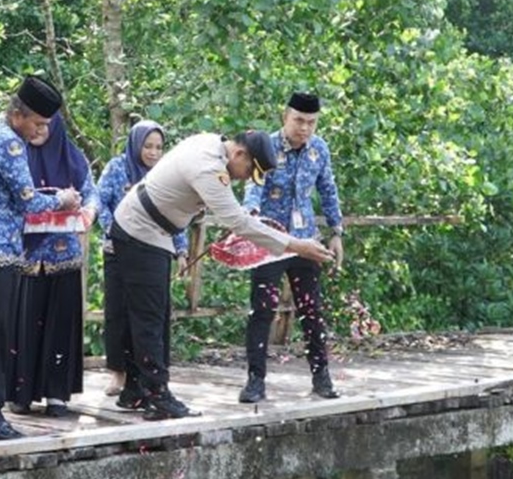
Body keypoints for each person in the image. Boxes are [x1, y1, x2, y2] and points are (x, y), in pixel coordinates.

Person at [111, 129, 334, 420]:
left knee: (151, 313)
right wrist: (297, 246)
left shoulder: (210, 142)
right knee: (149, 317)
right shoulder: (209, 167)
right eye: (248, 171)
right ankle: (158, 396)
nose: (244, 178)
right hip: (140, 231)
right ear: (239, 154)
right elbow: (238, 221)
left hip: (151, 230)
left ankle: (135, 390)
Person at [0, 75, 82, 441]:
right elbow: (29, 200)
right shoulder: (8, 142)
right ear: (18, 114)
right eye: (37, 123)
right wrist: (64, 200)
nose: (41, 131)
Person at [239, 92, 346, 403]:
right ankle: (255, 380)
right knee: (262, 310)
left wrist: (336, 231)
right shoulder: (267, 146)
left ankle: (321, 377)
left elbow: (328, 189)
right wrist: (249, 216)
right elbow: (253, 186)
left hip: (305, 241)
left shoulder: (319, 149)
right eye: (299, 120)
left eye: (311, 122)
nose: (304, 128)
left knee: (311, 309)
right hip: (270, 240)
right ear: (285, 116)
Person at [8, 114, 98, 418]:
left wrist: (88, 210)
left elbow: (91, 192)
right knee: (24, 326)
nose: (39, 131)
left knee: (60, 326)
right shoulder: (17, 156)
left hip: (64, 256)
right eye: (36, 123)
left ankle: (57, 394)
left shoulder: (72, 158)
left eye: (46, 125)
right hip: (26, 257)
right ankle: (20, 393)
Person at [96, 120, 186, 401]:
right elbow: (99, 201)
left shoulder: (165, 174)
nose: (153, 153)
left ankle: (151, 375)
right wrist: (113, 230)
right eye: (148, 146)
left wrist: (181, 250)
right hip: (118, 248)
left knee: (151, 314)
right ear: (136, 145)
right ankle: (118, 372)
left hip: (153, 252)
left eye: (159, 147)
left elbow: (176, 214)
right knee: (118, 311)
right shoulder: (117, 167)